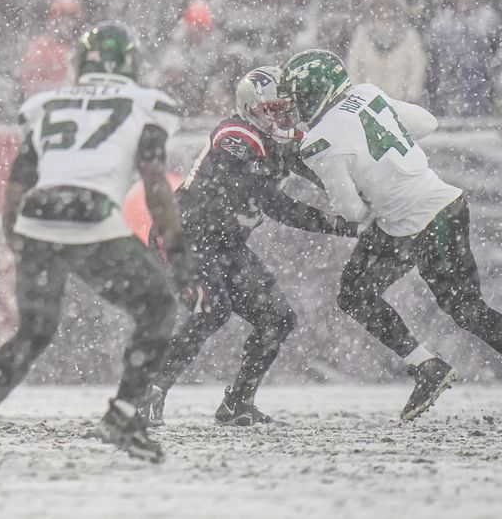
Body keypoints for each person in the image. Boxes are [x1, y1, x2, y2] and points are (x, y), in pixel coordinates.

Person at [0, 21, 192, 466]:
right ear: (131, 64)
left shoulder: (47, 104)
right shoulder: (146, 105)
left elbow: (15, 191)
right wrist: (177, 253)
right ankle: (123, 413)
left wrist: (20, 245)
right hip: (91, 215)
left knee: (33, 333)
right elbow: (156, 184)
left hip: (38, 217)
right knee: (158, 308)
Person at [277, 49, 502, 423]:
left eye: (294, 96)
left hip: (410, 225)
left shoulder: (318, 142)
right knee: (468, 310)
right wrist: (384, 157)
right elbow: (426, 122)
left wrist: (369, 205)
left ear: (312, 92)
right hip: (446, 206)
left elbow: (351, 211)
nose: (292, 107)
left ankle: (426, 366)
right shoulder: (367, 94)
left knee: (356, 294)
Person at [142, 66, 358, 426]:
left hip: (223, 244)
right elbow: (272, 203)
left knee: (277, 319)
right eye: (274, 109)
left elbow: (325, 175)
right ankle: (148, 393)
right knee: (211, 310)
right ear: (251, 107)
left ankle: (237, 403)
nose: (285, 116)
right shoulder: (235, 135)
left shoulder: (281, 142)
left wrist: (367, 199)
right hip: (183, 236)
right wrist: (339, 224)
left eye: (286, 108)